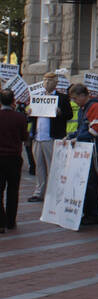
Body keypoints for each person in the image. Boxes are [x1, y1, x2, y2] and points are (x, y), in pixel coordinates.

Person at [26, 73, 72, 204]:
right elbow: (32, 117)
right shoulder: (37, 97)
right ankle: (39, 192)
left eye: (49, 80)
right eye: (45, 80)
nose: (46, 83)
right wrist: (29, 113)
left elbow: (69, 115)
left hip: (52, 137)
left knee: (53, 166)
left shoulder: (62, 98)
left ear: (56, 83)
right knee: (39, 167)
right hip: (38, 137)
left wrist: (60, 112)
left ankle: (55, 191)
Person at [68, 82, 98, 228]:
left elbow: (95, 130)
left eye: (75, 98)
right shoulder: (83, 109)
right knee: (83, 183)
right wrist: (72, 136)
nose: (74, 102)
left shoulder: (95, 107)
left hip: (93, 152)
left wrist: (77, 138)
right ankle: (87, 212)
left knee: (90, 183)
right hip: (84, 151)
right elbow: (82, 129)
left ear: (83, 95)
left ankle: (94, 214)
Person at [0, 88, 29, 233]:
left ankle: (1, 222)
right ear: (13, 101)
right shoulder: (20, 117)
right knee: (13, 190)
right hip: (14, 158)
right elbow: (25, 137)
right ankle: (11, 221)